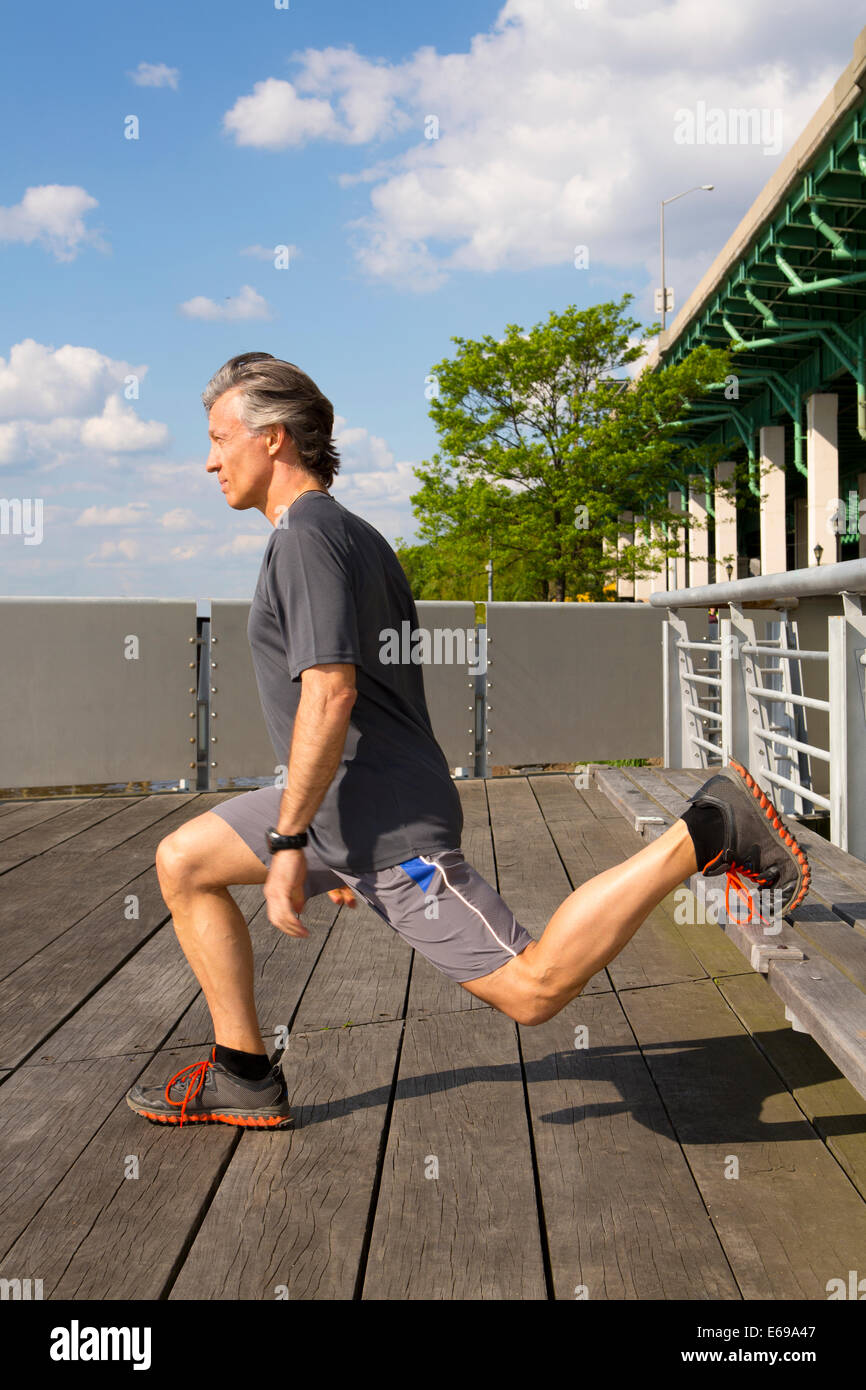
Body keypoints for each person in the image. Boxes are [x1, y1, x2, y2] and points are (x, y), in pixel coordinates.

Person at [126, 353, 811, 1129]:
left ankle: (705, 831)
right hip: (344, 808)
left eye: (219, 437)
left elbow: (332, 691)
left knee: (532, 991)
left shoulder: (309, 538)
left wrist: (292, 841)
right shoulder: (342, 533)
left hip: (384, 821)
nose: (210, 458)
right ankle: (244, 1073)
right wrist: (318, 834)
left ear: (275, 438)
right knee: (184, 860)